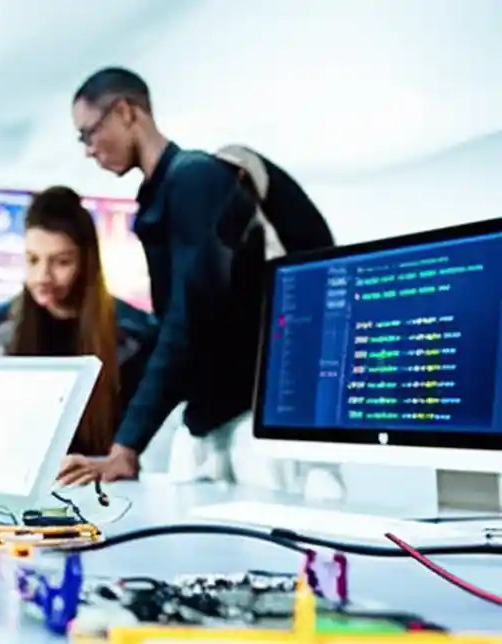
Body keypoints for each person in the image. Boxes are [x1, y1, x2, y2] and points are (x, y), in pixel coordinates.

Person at [60, 67, 333, 487]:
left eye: (89, 133)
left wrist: (127, 446)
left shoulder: (194, 179)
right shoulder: (164, 193)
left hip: (254, 423)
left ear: (126, 111)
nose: (88, 150)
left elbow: (190, 315)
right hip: (216, 417)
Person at [0, 186, 157, 457]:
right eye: (32, 260)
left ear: (86, 262)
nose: (43, 276)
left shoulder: (135, 335)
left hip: (105, 484)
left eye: (61, 262)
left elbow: (142, 436)